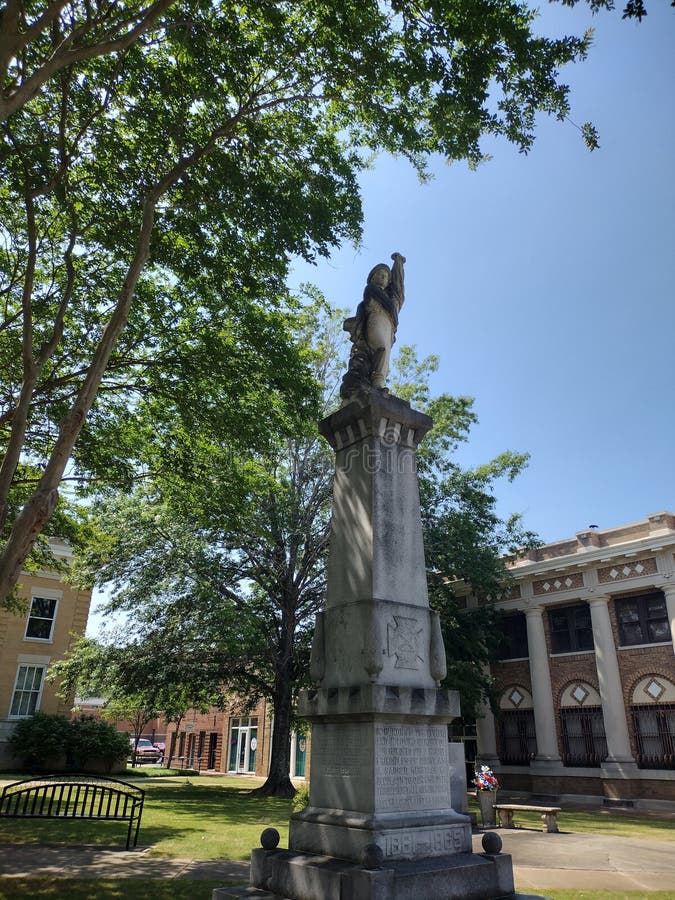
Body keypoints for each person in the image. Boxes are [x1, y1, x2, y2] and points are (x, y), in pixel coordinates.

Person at [340, 252, 405, 399]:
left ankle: (378, 383)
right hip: (376, 321)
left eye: (386, 276)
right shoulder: (371, 289)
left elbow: (399, 290)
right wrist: (393, 310)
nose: (382, 277)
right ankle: (369, 380)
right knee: (379, 347)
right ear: (372, 278)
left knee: (384, 356)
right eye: (379, 274)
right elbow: (390, 304)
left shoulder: (391, 296)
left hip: (388, 327)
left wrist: (398, 264)